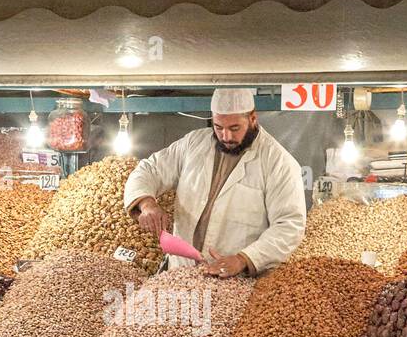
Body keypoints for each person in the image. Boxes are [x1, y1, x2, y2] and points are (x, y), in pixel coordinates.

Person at [124, 88, 305, 277]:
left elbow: (289, 225)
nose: (226, 136)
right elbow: (149, 169)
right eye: (218, 127)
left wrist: (244, 259)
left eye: (234, 128)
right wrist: (147, 204)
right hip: (182, 272)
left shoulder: (278, 162)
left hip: (235, 280)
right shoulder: (194, 143)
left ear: (252, 118)